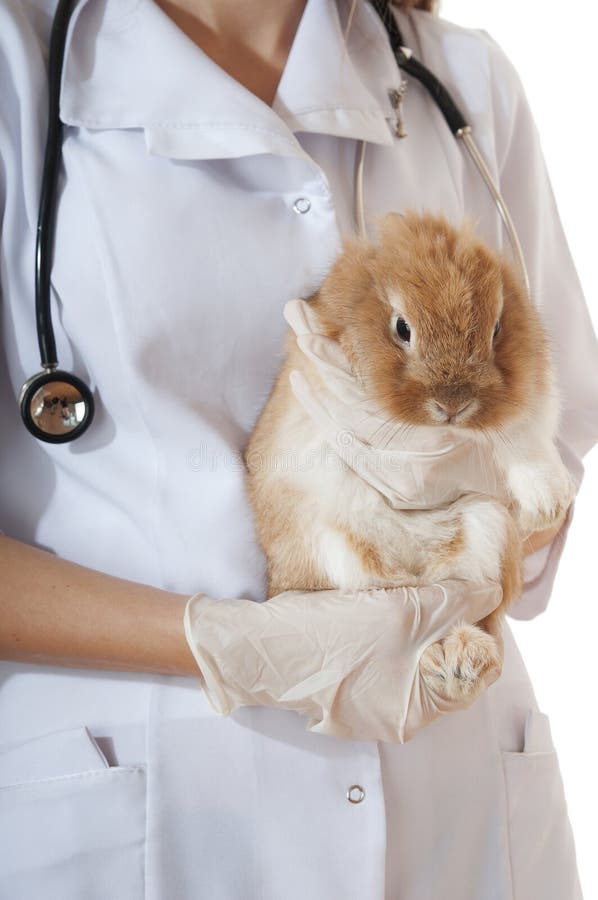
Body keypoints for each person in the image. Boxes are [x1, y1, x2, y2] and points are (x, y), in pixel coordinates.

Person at [1, 0, 597, 897]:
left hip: (456, 791)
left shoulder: (458, 80)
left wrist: (466, 526)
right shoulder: (20, 60)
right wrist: (229, 645)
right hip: (142, 802)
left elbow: (555, 431)